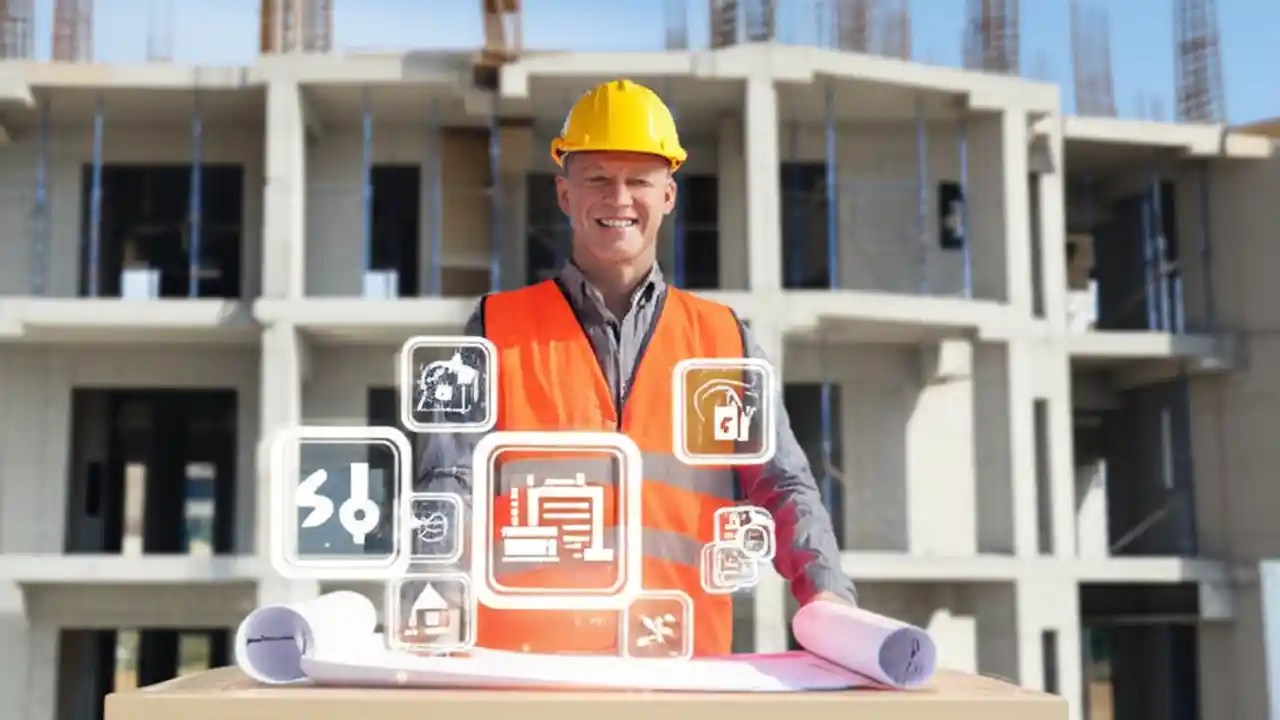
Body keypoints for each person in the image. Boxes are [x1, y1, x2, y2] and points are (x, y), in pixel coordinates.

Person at [416, 78, 856, 657]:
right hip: (527, 673)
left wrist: (827, 595)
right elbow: (448, 483)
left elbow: (781, 484)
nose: (618, 199)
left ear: (668, 195)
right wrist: (439, 595)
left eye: (639, 181)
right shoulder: (493, 330)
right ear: (565, 193)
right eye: (597, 178)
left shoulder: (725, 340)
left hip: (679, 668)